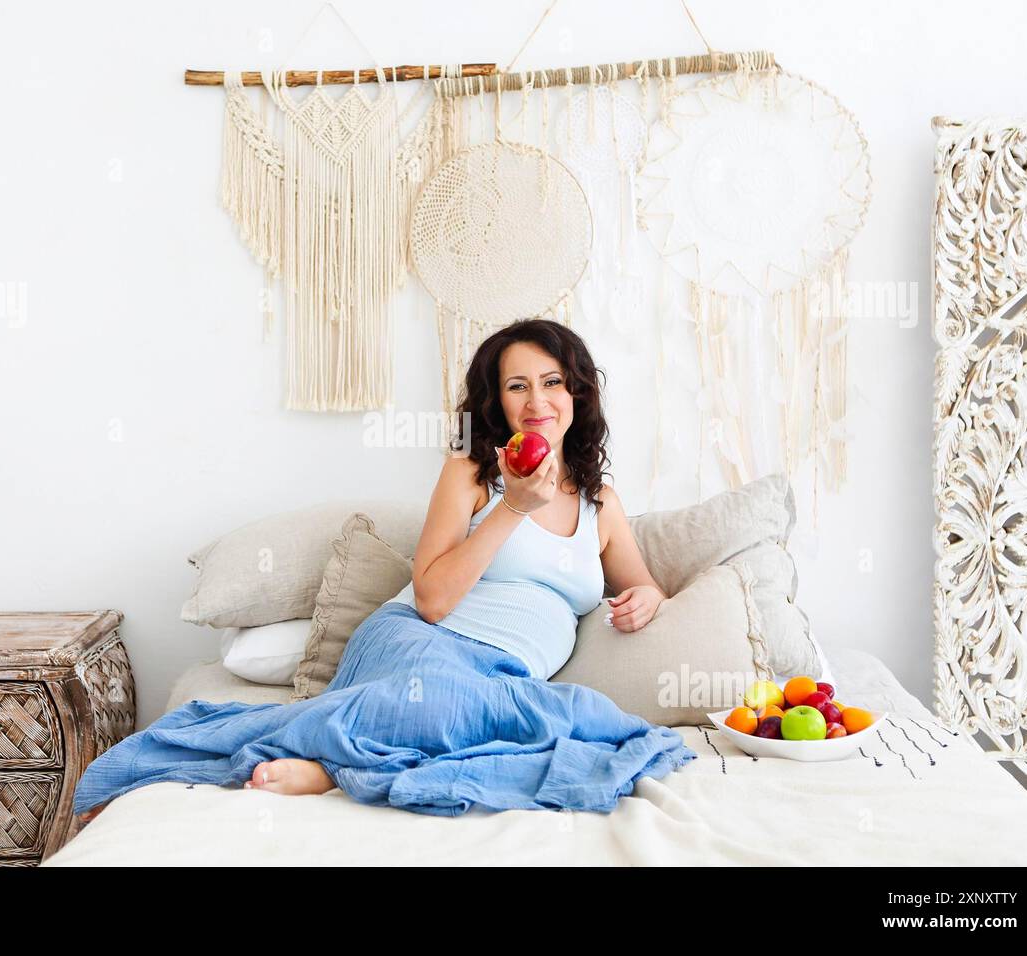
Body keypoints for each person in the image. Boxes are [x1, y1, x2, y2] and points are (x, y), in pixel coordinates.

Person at [73, 318, 696, 822]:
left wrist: (644, 598)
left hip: (503, 676)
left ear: (576, 393)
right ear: (495, 403)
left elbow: (645, 585)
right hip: (418, 643)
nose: (537, 401)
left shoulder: (600, 504)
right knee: (446, 705)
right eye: (516, 386)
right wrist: (513, 507)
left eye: (552, 381)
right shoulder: (471, 477)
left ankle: (333, 765)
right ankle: (333, 761)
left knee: (571, 717)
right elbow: (432, 600)